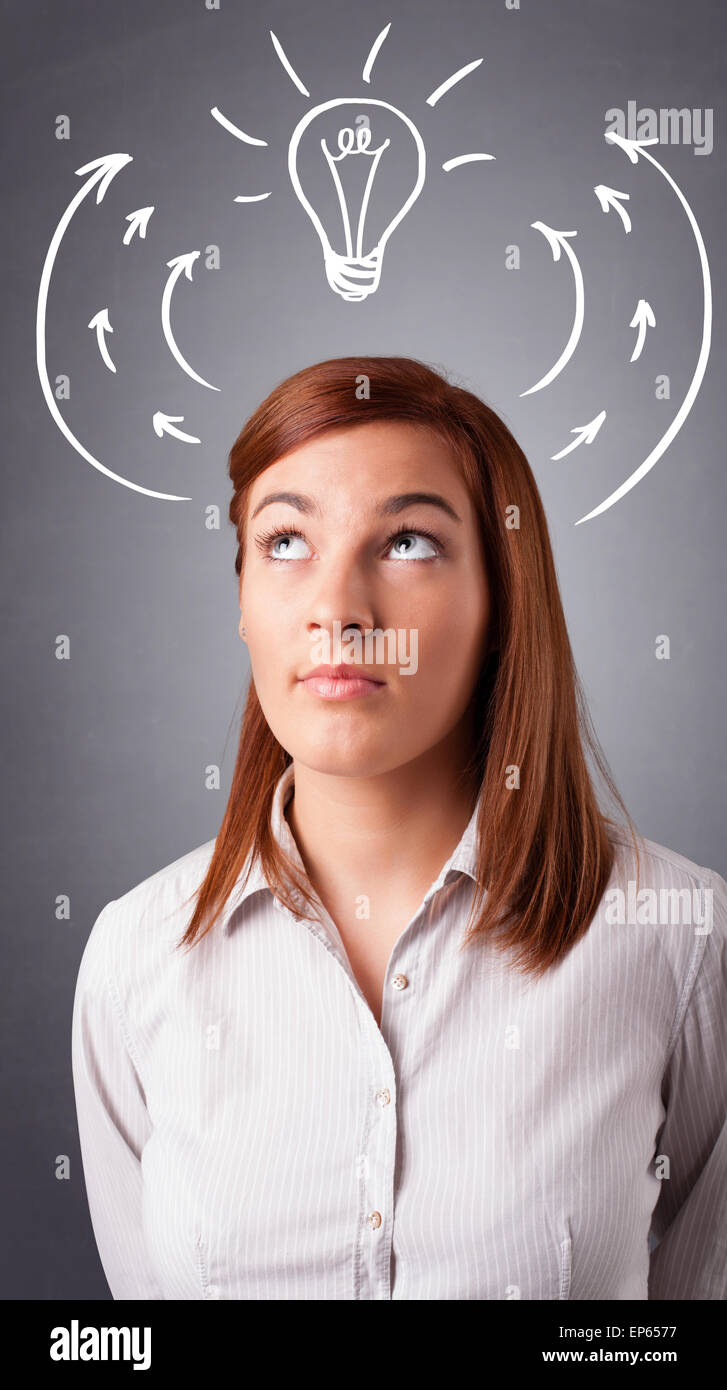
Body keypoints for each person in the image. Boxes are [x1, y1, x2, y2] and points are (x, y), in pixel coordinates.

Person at [72, 355, 727, 1300]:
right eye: (286, 541)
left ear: (502, 600)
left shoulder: (683, 940)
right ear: (244, 601)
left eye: (409, 541)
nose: (337, 611)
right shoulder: (136, 957)